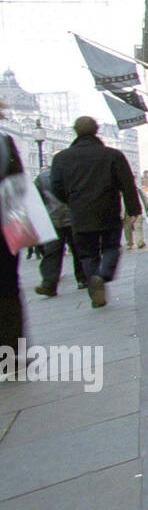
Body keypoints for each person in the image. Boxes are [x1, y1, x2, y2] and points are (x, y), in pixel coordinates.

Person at [49, 116, 141, 308]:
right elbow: (127, 184)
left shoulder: (61, 158)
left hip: (80, 213)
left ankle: (94, 285)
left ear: (75, 131)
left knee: (87, 254)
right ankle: (103, 275)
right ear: (96, 130)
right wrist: (134, 210)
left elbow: (55, 187)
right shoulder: (112, 155)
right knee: (110, 247)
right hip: (108, 209)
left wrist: (71, 199)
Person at [34, 166, 87, 296]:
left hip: (53, 219)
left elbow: (38, 200)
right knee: (78, 249)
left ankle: (49, 284)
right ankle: (82, 279)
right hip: (72, 216)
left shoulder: (41, 178)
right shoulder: (71, 172)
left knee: (52, 252)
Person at [1, 115, 25, 362]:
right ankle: (10, 353)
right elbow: (18, 187)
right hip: (4, 227)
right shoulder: (4, 141)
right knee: (7, 288)